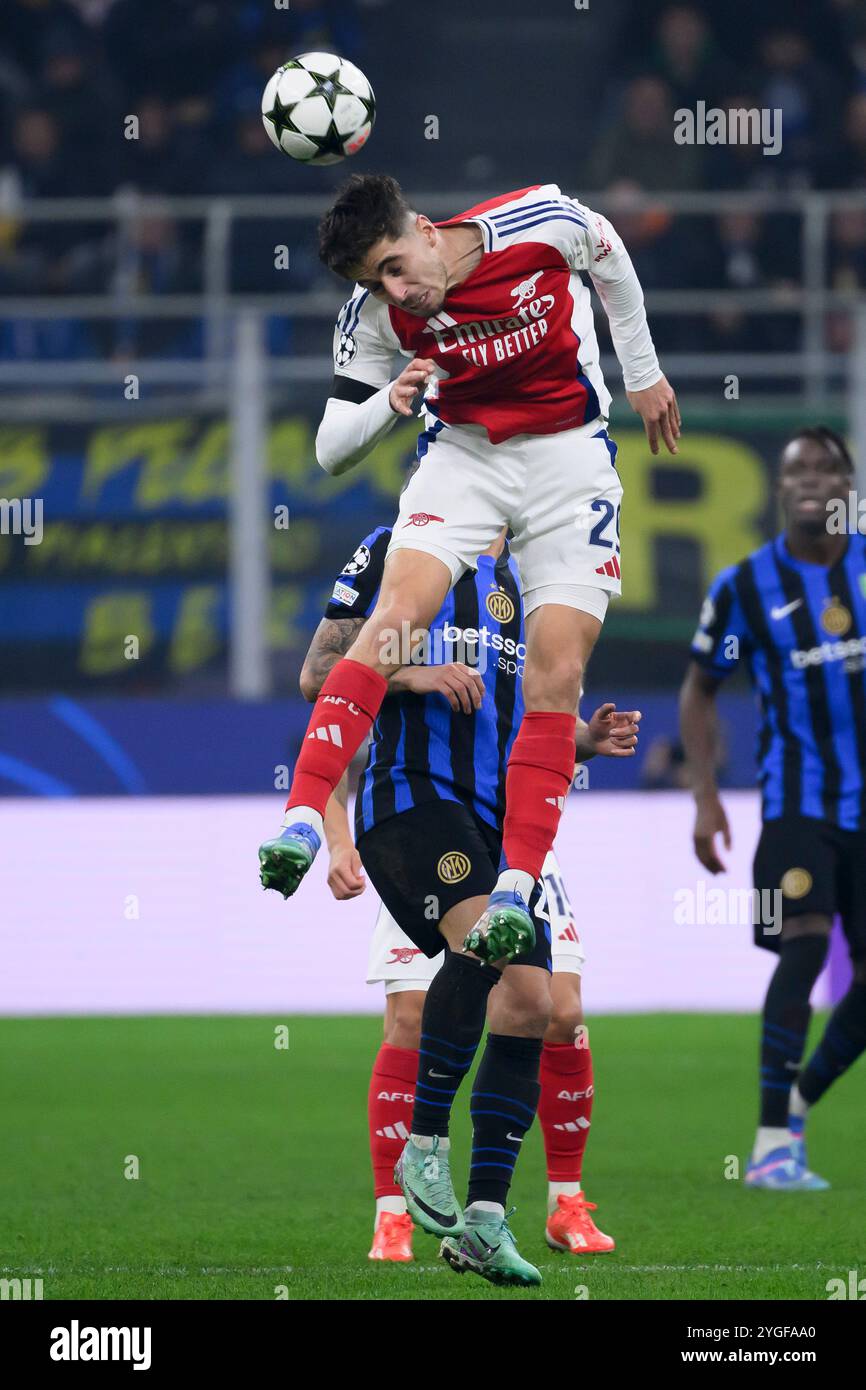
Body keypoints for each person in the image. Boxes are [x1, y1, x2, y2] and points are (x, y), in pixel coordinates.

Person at [260, 172, 676, 976]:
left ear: (421, 227)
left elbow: (609, 253)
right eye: (372, 281)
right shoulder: (374, 318)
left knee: (558, 675)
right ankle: (304, 816)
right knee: (392, 624)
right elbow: (330, 446)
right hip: (465, 456)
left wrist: (645, 371)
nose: (395, 290)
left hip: (569, 457)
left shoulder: (535, 221)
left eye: (392, 264)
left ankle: (517, 887)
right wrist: (392, 401)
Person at [298, 518, 639, 1284]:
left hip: (498, 823)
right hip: (415, 800)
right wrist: (408, 674)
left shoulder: (530, 578)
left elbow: (519, 715)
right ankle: (422, 1149)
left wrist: (585, 738)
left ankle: (485, 1221)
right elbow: (319, 674)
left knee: (532, 1000)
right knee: (477, 951)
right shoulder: (398, 548)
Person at [679, 426, 866, 1191]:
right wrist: (705, 798)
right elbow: (700, 690)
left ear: (849, 487)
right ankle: (767, 1149)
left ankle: (791, 1101)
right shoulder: (745, 589)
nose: (813, 480)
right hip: (794, 808)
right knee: (805, 943)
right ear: (779, 489)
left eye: (828, 468)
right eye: (798, 470)